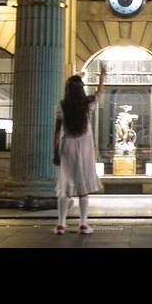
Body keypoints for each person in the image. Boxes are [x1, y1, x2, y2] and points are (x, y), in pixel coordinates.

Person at [53, 64, 105, 234]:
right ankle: (83, 223)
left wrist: (55, 153)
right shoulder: (87, 104)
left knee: (65, 184)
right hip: (84, 147)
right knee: (83, 185)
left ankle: (61, 224)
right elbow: (99, 93)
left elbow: (56, 131)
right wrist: (102, 76)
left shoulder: (62, 105)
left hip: (67, 146)